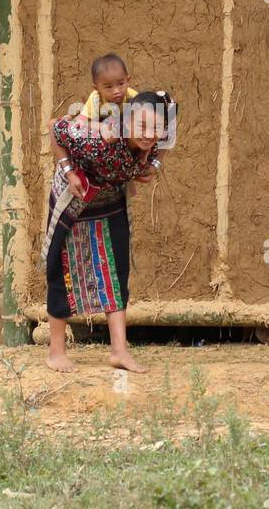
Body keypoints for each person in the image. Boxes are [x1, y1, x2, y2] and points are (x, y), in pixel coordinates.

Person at [42, 92, 174, 373]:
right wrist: (69, 172)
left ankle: (119, 351)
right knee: (62, 269)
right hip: (75, 199)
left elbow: (172, 115)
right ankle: (56, 352)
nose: (150, 134)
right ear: (125, 123)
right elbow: (54, 127)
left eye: (156, 129)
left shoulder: (157, 128)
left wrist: (155, 164)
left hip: (110, 198)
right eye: (141, 127)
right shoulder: (97, 138)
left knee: (116, 270)